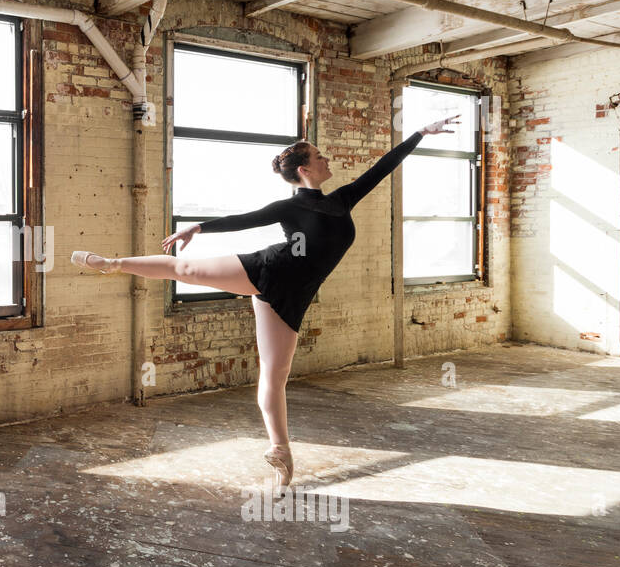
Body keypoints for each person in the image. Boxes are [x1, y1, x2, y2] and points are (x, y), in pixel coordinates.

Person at [71, 115, 462, 489]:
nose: (327, 159)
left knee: (275, 375)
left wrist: (420, 134)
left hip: (295, 296)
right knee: (186, 267)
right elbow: (245, 218)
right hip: (268, 269)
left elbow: (383, 167)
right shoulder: (290, 207)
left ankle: (281, 451)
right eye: (319, 155)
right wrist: (198, 227)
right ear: (305, 170)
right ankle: (112, 263)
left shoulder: (343, 199)